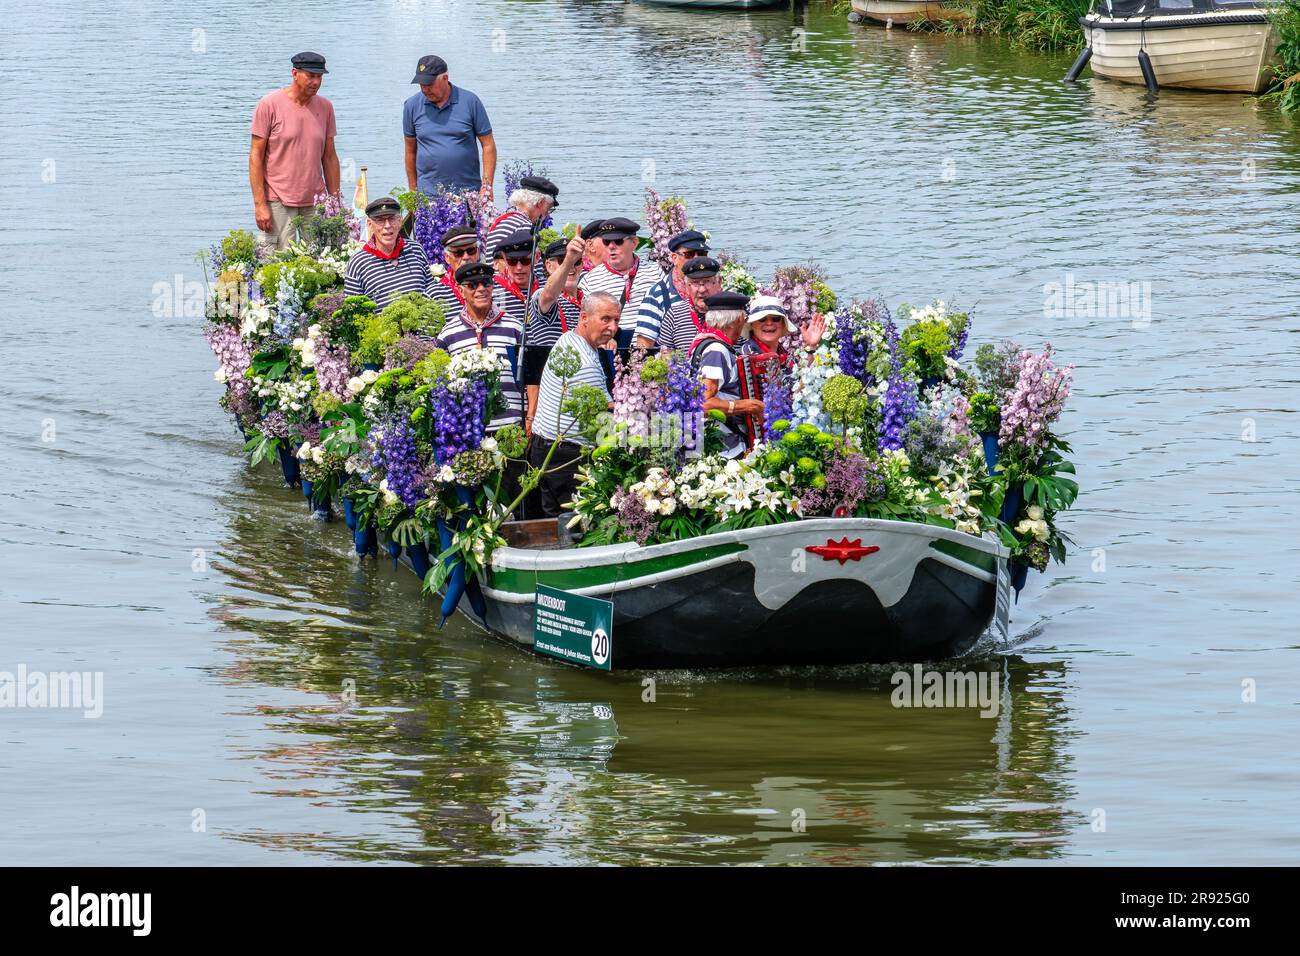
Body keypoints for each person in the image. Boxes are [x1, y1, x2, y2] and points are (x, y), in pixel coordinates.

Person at [528, 292, 620, 517]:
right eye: (605, 319)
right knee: (572, 522)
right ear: (584, 317)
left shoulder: (568, 338)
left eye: (617, 320)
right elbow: (606, 412)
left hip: (549, 448)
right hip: (565, 455)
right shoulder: (584, 362)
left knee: (557, 520)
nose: (613, 327)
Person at [249, 52, 340, 250]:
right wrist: (260, 204)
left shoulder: (325, 108)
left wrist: (335, 202)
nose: (316, 82)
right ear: (294, 73)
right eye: (310, 76)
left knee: (321, 262)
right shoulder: (269, 105)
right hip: (278, 200)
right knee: (275, 263)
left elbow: (330, 157)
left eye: (320, 77)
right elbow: (255, 157)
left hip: (316, 202)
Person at [433, 261, 523, 435]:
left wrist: (529, 420)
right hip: (467, 430)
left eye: (486, 283)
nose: (481, 289)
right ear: (461, 291)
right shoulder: (447, 334)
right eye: (472, 285)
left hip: (510, 429)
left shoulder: (515, 327)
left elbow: (530, 382)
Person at [403, 55, 496, 205]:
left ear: (445, 78)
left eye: (429, 84)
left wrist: (487, 185)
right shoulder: (411, 106)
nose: (425, 89)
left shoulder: (470, 101)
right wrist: (413, 192)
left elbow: (488, 144)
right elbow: (410, 151)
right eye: (421, 84)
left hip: (468, 194)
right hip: (429, 196)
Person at [524, 235, 586, 436]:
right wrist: (569, 260)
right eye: (563, 260)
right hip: (551, 393)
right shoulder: (541, 297)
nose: (572, 267)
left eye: (577, 262)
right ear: (549, 265)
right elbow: (549, 295)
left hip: (582, 386)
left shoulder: (589, 301)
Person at [689, 292, 763, 459]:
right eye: (744, 319)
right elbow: (704, 404)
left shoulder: (704, 342)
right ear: (737, 320)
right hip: (722, 450)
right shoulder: (717, 350)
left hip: (712, 445)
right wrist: (749, 406)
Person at [577, 218, 665, 350]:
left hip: (649, 350)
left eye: (618, 241)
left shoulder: (655, 271)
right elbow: (582, 323)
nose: (612, 246)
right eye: (606, 242)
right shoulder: (590, 280)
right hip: (609, 352)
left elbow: (668, 312)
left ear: (634, 243)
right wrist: (601, 339)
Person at [343, 197, 436, 308]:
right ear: (369, 224)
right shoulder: (358, 262)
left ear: (400, 221)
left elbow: (432, 291)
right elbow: (351, 309)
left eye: (391, 219)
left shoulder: (416, 249)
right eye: (380, 220)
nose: (387, 226)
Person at [634, 229, 709, 348]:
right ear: (674, 258)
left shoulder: (715, 289)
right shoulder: (657, 295)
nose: (697, 259)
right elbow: (644, 346)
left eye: (702, 253)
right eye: (689, 254)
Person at [639, 255, 722, 353]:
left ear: (719, 283)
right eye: (695, 283)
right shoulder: (674, 315)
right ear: (687, 286)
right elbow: (665, 357)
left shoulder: (734, 312)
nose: (702, 289)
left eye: (707, 281)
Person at [483, 175, 558, 262]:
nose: (547, 214)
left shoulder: (503, 220)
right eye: (548, 209)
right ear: (540, 203)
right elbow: (534, 269)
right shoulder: (524, 226)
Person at [740, 294, 827, 362]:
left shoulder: (783, 354)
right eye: (762, 319)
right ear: (752, 324)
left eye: (775, 318)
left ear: (783, 324)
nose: (769, 323)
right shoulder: (746, 358)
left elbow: (802, 378)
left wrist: (811, 346)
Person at [491, 229, 536, 332]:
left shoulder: (546, 286)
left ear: (536, 257)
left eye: (525, 261)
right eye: (512, 261)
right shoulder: (491, 289)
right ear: (504, 260)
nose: (519, 267)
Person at [428, 225, 480, 313]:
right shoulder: (436, 294)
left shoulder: (492, 285)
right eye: (458, 253)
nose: (466, 257)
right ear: (447, 257)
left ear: (478, 252)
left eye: (471, 250)